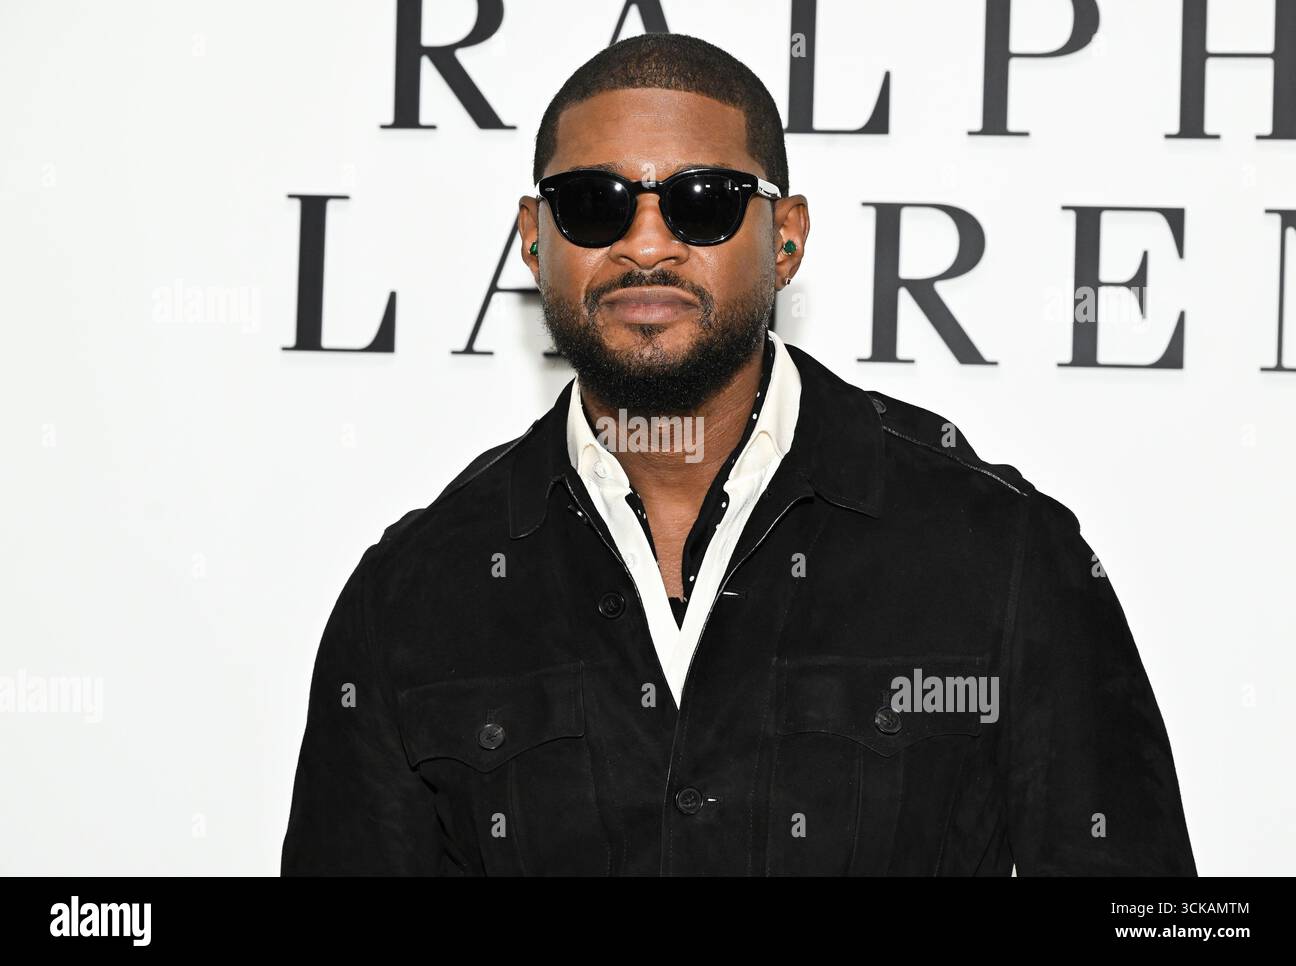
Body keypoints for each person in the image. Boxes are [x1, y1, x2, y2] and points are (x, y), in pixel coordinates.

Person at [281, 32, 1196, 876]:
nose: (646, 244)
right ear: (533, 237)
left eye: (703, 203)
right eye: (593, 204)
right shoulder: (411, 597)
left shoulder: (1001, 554)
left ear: (787, 236)